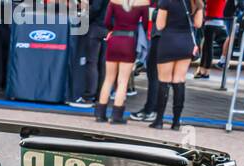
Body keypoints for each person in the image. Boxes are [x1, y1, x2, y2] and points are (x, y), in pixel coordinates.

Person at [149, 0, 202, 131]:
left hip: (168, 41)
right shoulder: (197, 2)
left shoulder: (166, 1)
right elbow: (198, 24)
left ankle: (159, 120)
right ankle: (176, 122)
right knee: (179, 80)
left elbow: (160, 25)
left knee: (163, 81)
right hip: (186, 44)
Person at [96, 0, 148, 122]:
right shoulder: (144, 2)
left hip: (114, 39)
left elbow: (107, 21)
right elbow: (145, 25)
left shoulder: (113, 1)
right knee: (123, 81)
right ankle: (116, 116)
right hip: (129, 41)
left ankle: (100, 114)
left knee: (108, 79)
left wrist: (113, 30)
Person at [69, 0, 111, 109]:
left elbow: (96, 7)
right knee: (102, 65)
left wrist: (84, 19)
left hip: (96, 28)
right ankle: (99, 96)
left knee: (92, 63)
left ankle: (88, 96)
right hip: (107, 28)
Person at [194, 0, 227, 78]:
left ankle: (205, 71)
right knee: (206, 47)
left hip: (211, 23)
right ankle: (203, 70)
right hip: (218, 22)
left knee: (207, 48)